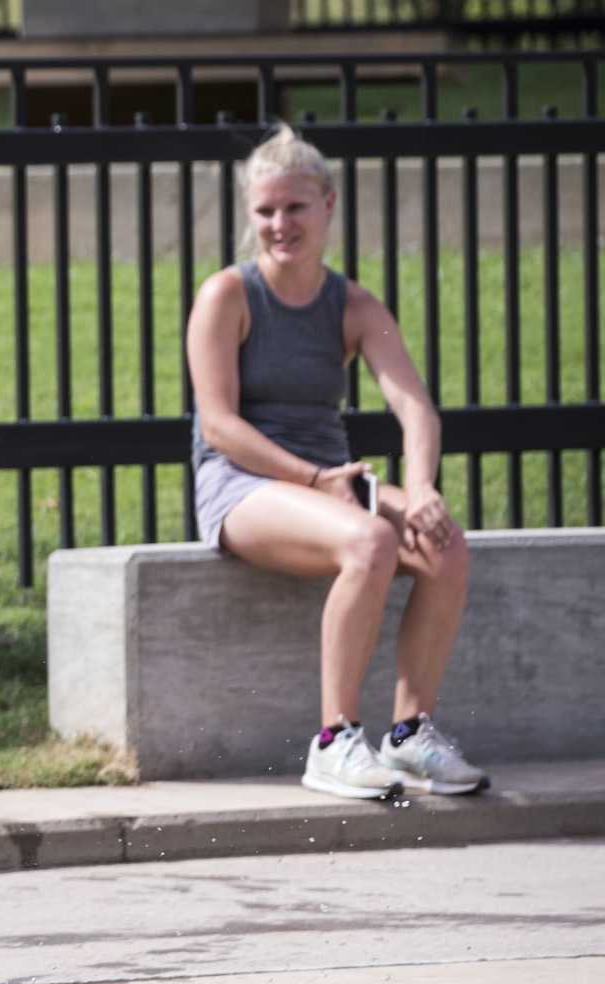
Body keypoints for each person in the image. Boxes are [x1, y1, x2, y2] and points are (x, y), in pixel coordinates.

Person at [185, 124, 487, 800]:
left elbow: (415, 407)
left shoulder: (353, 305)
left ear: (328, 204)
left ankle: (409, 737)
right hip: (244, 486)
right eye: (264, 211)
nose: (279, 224)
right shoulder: (226, 297)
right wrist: (317, 478)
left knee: (445, 545)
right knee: (371, 538)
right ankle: (334, 742)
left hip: (333, 486)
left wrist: (422, 488)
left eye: (294, 207)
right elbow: (219, 425)